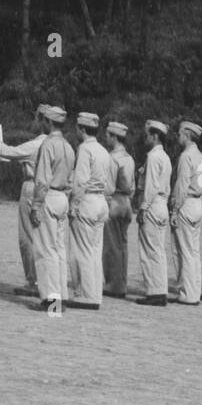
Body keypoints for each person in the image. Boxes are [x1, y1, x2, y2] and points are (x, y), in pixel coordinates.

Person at [0, 107, 49, 296]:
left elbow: (6, 152)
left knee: (27, 238)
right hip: (55, 193)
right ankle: (52, 294)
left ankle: (35, 282)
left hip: (33, 188)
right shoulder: (64, 145)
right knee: (51, 244)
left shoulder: (37, 144)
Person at [28, 106, 74, 311]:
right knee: (58, 250)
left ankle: (51, 301)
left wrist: (36, 204)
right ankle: (61, 297)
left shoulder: (48, 145)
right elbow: (71, 179)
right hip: (63, 197)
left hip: (49, 196)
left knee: (45, 251)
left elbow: (42, 179)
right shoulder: (68, 146)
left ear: (48, 122)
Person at [66, 112, 110, 309]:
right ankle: (94, 294)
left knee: (81, 250)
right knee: (94, 250)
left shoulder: (84, 149)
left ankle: (85, 294)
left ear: (82, 129)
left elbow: (80, 180)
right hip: (101, 201)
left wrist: (73, 205)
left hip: (87, 201)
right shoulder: (103, 150)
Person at [170, 120, 202, 305]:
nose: (178, 137)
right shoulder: (201, 156)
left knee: (185, 251)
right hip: (198, 203)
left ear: (186, 134)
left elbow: (182, 185)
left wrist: (175, 210)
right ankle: (195, 292)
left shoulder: (186, 156)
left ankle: (187, 293)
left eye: (179, 134)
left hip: (187, 203)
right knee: (194, 251)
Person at [135, 120, 172, 306]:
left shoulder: (153, 157)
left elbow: (150, 186)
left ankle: (154, 292)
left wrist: (143, 208)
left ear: (155, 136)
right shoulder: (165, 157)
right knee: (158, 250)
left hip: (152, 204)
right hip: (162, 204)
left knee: (149, 250)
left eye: (148, 135)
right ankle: (160, 290)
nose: (146, 138)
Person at [102, 121, 135, 299]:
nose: (106, 138)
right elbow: (133, 185)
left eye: (108, 135)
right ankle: (121, 282)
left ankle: (113, 284)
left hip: (114, 201)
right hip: (127, 202)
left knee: (111, 246)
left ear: (114, 137)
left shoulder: (112, 158)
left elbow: (108, 185)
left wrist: (105, 202)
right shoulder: (129, 158)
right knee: (123, 245)